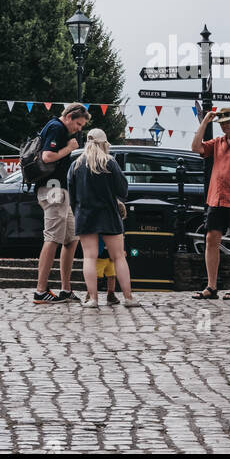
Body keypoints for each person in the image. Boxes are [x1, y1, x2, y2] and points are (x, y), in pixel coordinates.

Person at [67, 129, 137, 309]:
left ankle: (93, 299)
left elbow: (72, 195)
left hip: (85, 214)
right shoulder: (110, 162)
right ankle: (128, 298)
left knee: (89, 257)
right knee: (119, 257)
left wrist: (78, 210)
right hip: (108, 214)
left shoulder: (76, 165)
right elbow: (123, 190)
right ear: (104, 143)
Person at [32, 102, 90, 306]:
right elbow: (47, 157)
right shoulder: (57, 127)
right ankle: (40, 291)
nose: (78, 129)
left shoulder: (57, 127)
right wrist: (70, 148)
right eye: (78, 124)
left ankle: (66, 289)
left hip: (61, 191)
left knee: (71, 239)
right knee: (52, 239)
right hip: (53, 189)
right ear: (70, 117)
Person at [191, 107, 230, 300]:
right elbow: (196, 147)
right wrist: (204, 122)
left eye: (228, 121)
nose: (224, 125)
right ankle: (211, 286)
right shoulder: (218, 143)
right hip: (216, 197)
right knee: (211, 239)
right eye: (222, 123)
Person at [96, 236, 119, 305]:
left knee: (112, 276)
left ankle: (111, 295)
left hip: (110, 257)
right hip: (99, 258)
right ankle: (90, 294)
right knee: (95, 277)